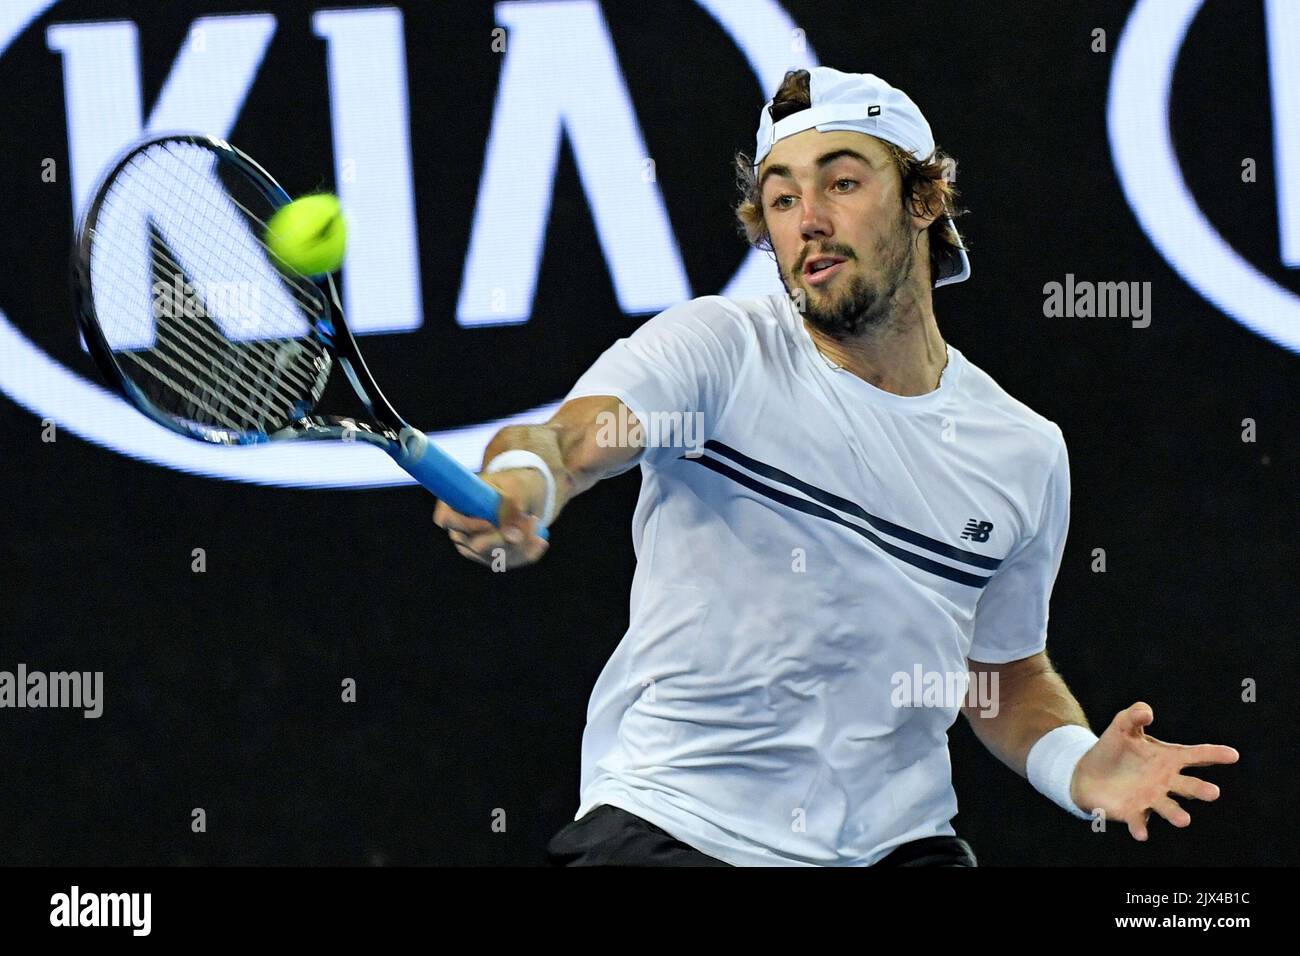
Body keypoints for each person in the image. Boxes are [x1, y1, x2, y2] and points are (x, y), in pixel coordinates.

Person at [434, 67, 1239, 867]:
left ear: (924, 200)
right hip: (674, 830)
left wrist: (1074, 763)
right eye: (782, 200)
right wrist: (528, 483)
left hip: (898, 848)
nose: (809, 221)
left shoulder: (1023, 451)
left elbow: (1002, 674)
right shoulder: (720, 349)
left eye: (843, 182)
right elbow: (567, 440)